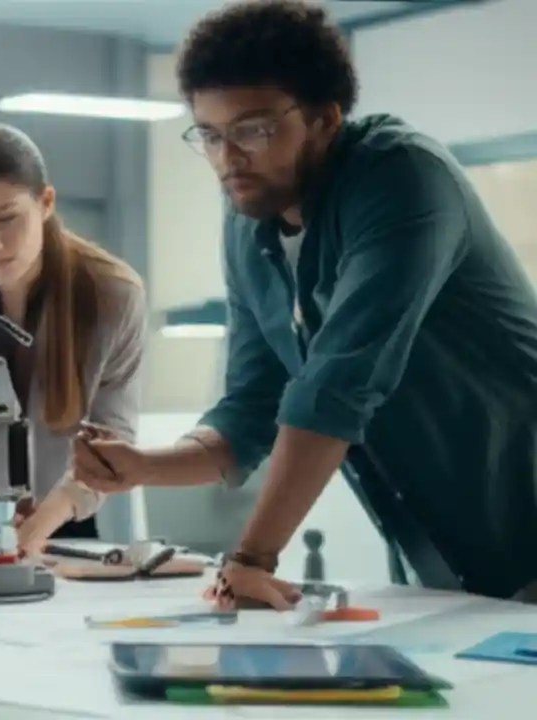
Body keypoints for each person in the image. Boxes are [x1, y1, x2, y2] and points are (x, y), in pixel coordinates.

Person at [71, 0, 537, 605]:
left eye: (253, 131)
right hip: (441, 564)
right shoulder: (250, 216)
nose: (227, 159)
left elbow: (337, 386)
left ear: (325, 118)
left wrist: (251, 558)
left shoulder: (401, 179)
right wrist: (143, 466)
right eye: (209, 135)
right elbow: (251, 404)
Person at [0, 123, 147, 554]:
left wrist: (44, 520)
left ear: (45, 202)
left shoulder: (112, 294)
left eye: (7, 219)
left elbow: (112, 441)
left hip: (65, 522)